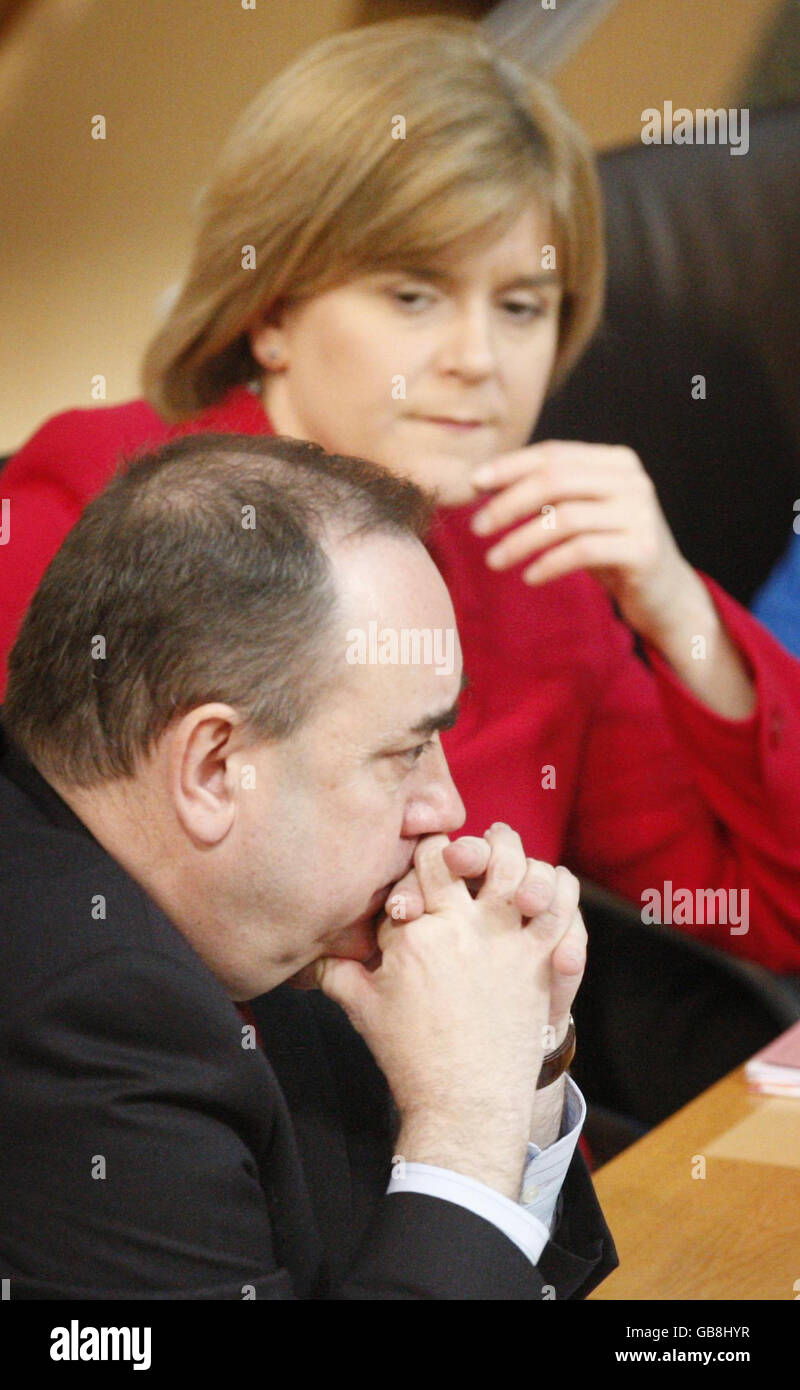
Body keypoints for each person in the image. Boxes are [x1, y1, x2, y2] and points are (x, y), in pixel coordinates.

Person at [2, 17, 799, 972]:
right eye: (413, 295)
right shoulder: (102, 491)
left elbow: (767, 907)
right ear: (273, 312)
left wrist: (675, 607)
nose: (478, 361)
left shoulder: (537, 573)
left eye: (521, 308)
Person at [0, 432, 615, 1300]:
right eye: (404, 752)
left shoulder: (269, 922)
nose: (446, 809)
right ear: (215, 769)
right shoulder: (83, 1012)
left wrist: (525, 1061)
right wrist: (463, 1127)